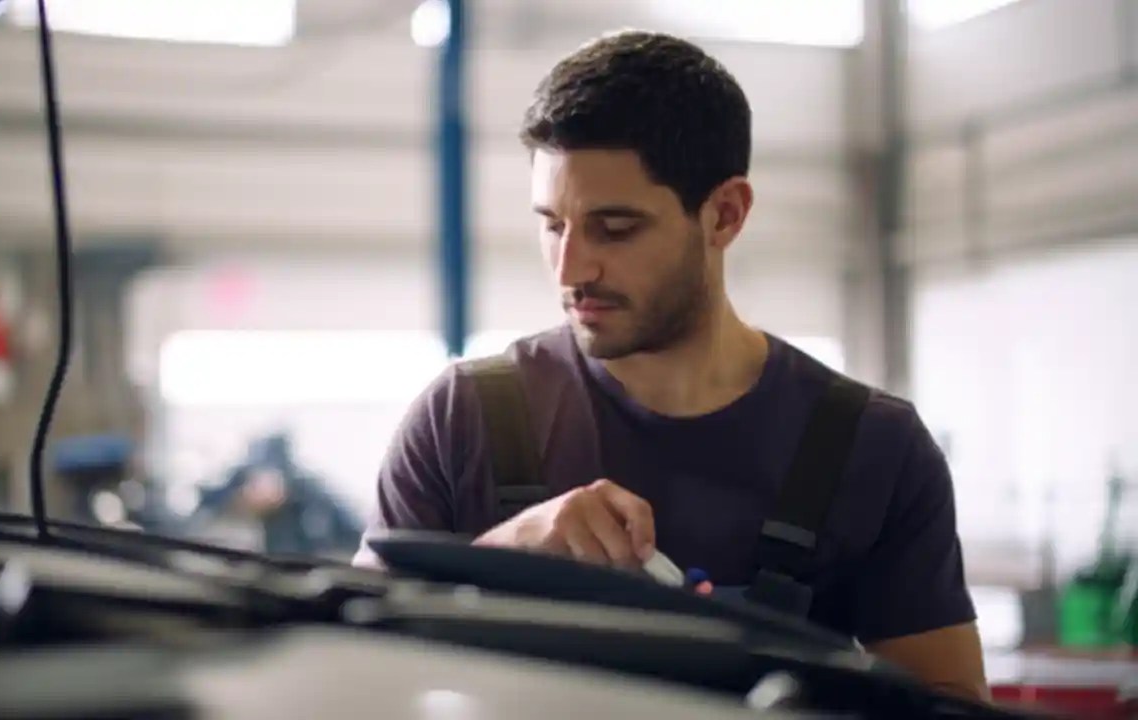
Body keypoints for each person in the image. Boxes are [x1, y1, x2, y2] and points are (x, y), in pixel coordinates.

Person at [354, 30, 987, 700]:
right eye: (552, 224)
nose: (572, 269)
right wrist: (503, 556)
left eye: (615, 228)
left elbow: (952, 708)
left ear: (725, 215)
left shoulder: (874, 449)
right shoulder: (462, 420)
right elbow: (351, 676)